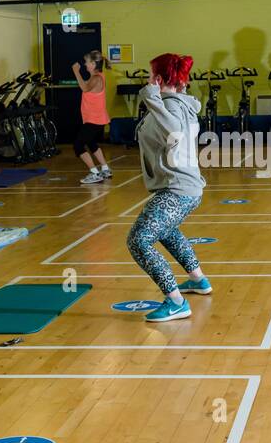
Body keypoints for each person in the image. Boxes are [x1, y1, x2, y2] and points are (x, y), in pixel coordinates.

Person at [126, 52, 211, 323]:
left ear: (159, 79)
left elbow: (173, 130)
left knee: (139, 240)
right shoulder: (178, 103)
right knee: (166, 229)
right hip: (185, 188)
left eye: (151, 76)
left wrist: (150, 96)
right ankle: (198, 280)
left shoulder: (170, 107)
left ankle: (176, 302)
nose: (148, 81)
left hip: (176, 190)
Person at [72, 50, 112, 184]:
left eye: (87, 62)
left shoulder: (96, 78)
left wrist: (76, 71)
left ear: (94, 64)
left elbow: (84, 87)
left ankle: (94, 173)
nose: (85, 64)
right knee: (90, 142)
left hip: (95, 119)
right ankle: (105, 169)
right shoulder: (98, 76)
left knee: (78, 145)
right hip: (95, 118)